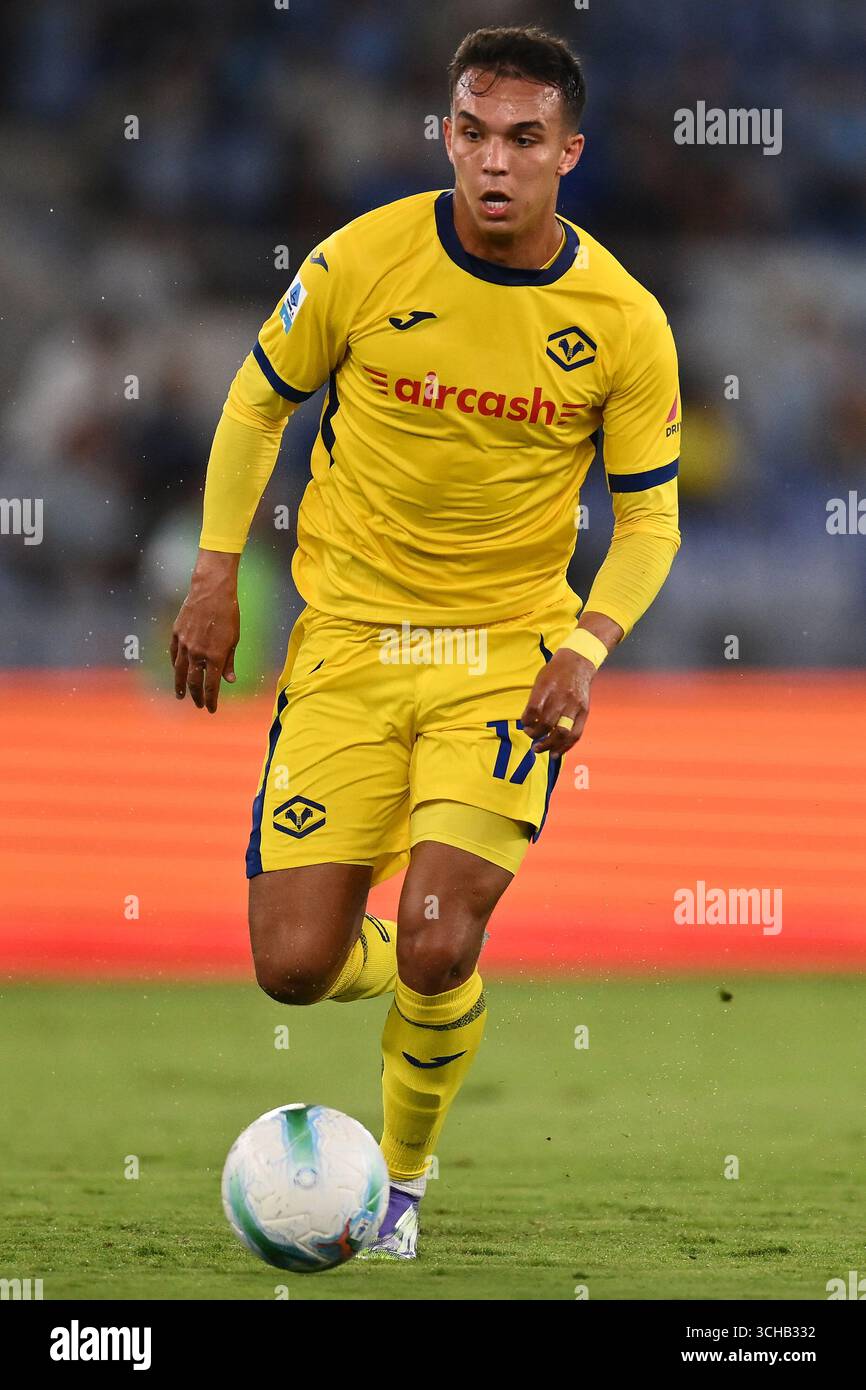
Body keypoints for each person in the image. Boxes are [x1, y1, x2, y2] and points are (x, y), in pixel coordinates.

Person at [171, 24, 681, 1260]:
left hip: (504, 657)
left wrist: (584, 646)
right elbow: (256, 401)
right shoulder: (360, 259)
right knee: (292, 967)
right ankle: (414, 963)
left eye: (522, 139)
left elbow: (649, 519)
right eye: (471, 132)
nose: (492, 161)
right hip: (346, 645)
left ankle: (398, 1185)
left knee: (444, 933)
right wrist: (214, 571)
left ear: (567, 152)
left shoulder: (620, 320)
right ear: (444, 135)